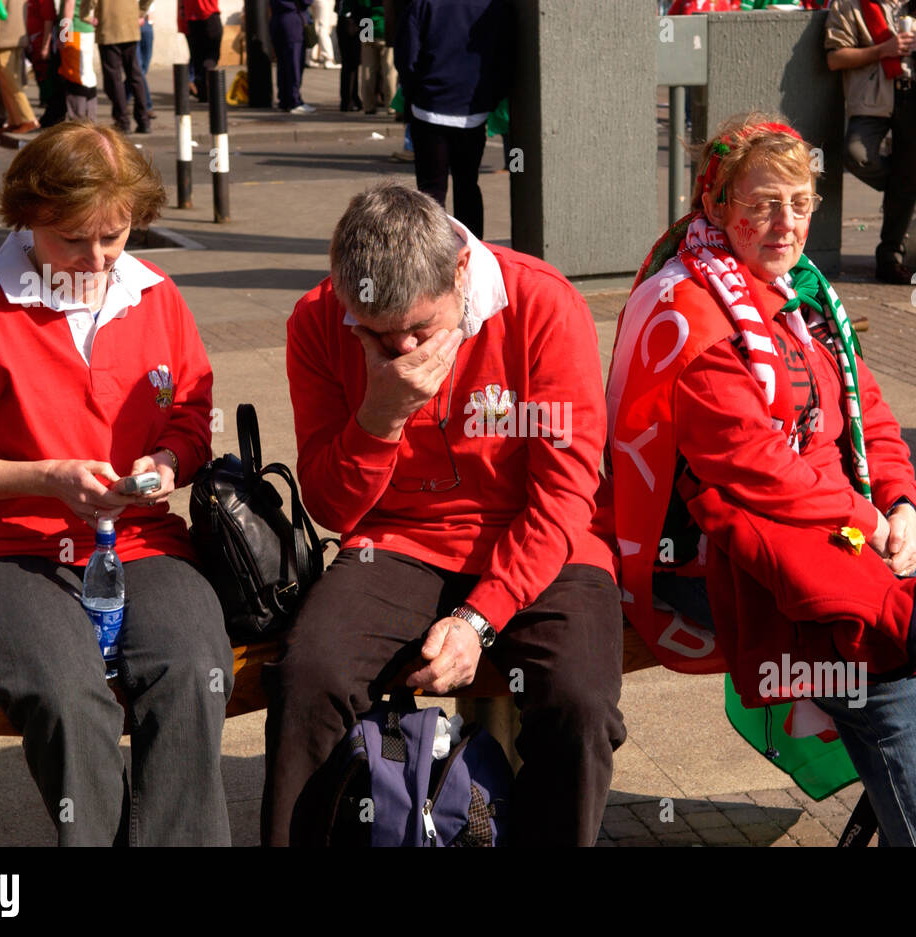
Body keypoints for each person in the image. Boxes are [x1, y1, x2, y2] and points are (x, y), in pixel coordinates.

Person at [607, 114, 916, 846]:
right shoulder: (688, 308)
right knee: (907, 693)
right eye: (762, 203)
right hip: (735, 556)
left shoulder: (804, 294)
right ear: (716, 205)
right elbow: (752, 465)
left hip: (851, 530)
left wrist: (900, 502)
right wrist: (869, 525)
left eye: (801, 203)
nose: (785, 223)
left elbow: (868, 411)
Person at [0, 121, 233, 846]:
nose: (98, 258)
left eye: (116, 236)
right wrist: (46, 478)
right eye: (74, 238)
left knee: (194, 667)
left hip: (138, 540)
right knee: (67, 697)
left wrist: (168, 461)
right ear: (28, 217)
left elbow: (193, 414)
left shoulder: (156, 295)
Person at [263, 181, 625, 847]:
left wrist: (478, 618)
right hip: (398, 541)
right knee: (307, 677)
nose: (401, 352)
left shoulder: (543, 304)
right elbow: (328, 503)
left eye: (420, 329)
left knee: (580, 703)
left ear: (460, 271)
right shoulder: (317, 319)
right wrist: (381, 416)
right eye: (375, 333)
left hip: (547, 539)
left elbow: (566, 491)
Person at [825, 0, 916, 283]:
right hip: (872, 101)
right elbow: (835, 58)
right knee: (857, 154)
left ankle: (890, 257)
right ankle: (902, 188)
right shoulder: (849, 5)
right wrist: (883, 50)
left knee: (907, 181)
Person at [395, 0, 514, 239]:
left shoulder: (422, 4)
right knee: (468, 187)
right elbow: (505, 59)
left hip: (429, 109)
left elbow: (407, 57)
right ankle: (472, 254)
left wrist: (415, 93)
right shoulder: (494, 5)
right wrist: (488, 98)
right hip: (473, 111)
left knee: (430, 193)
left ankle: (431, 259)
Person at [0, 0, 40, 135]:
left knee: (10, 82)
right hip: (17, 32)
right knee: (9, 82)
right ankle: (15, 120)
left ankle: (28, 119)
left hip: (4, 33)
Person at [96, 0, 152, 133]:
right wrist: (140, 12)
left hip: (108, 26)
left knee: (114, 77)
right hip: (129, 25)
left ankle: (122, 120)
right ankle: (143, 120)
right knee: (135, 74)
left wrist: (85, 15)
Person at [270, 0, 317, 114]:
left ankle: (284, 100)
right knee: (294, 64)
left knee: (283, 65)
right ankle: (294, 101)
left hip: (277, 21)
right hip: (292, 22)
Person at [182, 0, 223, 103]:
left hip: (192, 18)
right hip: (209, 16)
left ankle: (203, 93)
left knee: (197, 57)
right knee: (212, 55)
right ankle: (209, 89)